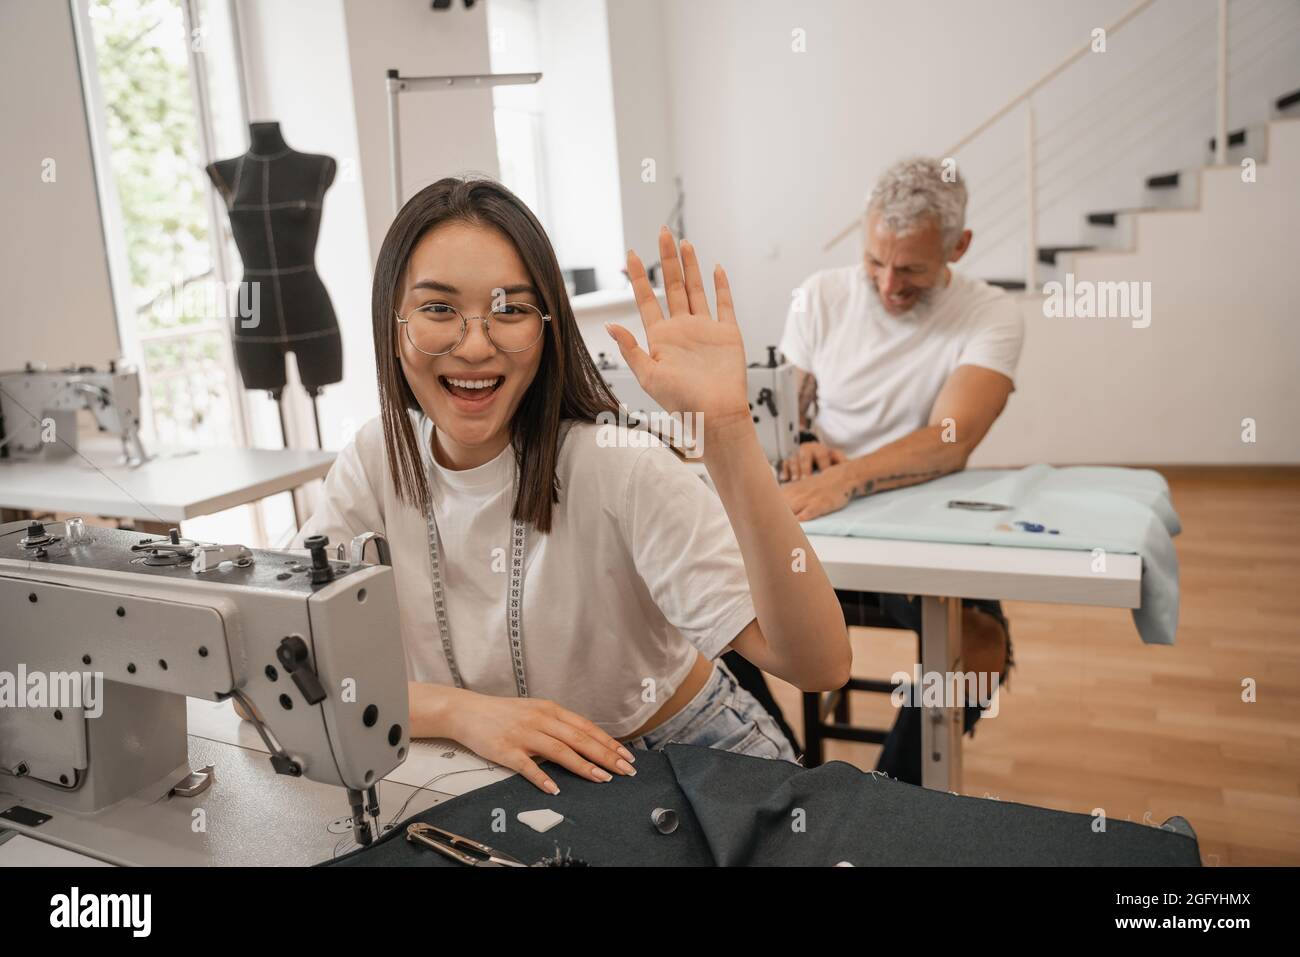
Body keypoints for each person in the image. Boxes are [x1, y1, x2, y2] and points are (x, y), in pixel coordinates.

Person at [291, 176, 850, 794]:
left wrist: (726, 429)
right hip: (492, 765)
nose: (475, 344)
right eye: (439, 308)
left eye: (510, 310)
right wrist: (459, 712)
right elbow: (280, 668)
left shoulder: (615, 463)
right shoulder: (376, 458)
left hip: (685, 758)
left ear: (547, 325)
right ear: (393, 323)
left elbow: (818, 663)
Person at [777, 157, 1025, 783]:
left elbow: (950, 439)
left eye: (911, 268)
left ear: (958, 247)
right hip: (815, 523)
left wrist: (843, 475)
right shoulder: (820, 296)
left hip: (911, 522)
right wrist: (803, 443)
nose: (888, 284)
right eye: (874, 262)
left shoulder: (991, 314)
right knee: (702, 611)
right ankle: (785, 771)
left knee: (981, 645)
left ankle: (887, 795)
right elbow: (786, 411)